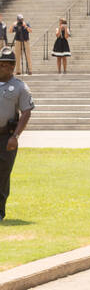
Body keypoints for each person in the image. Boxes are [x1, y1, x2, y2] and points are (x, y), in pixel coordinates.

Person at [0, 47, 34, 223]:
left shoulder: (19, 87)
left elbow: (26, 112)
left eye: (6, 65)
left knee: (2, 174)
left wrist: (16, 136)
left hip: (6, 137)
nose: (2, 68)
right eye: (0, 64)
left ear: (13, 67)